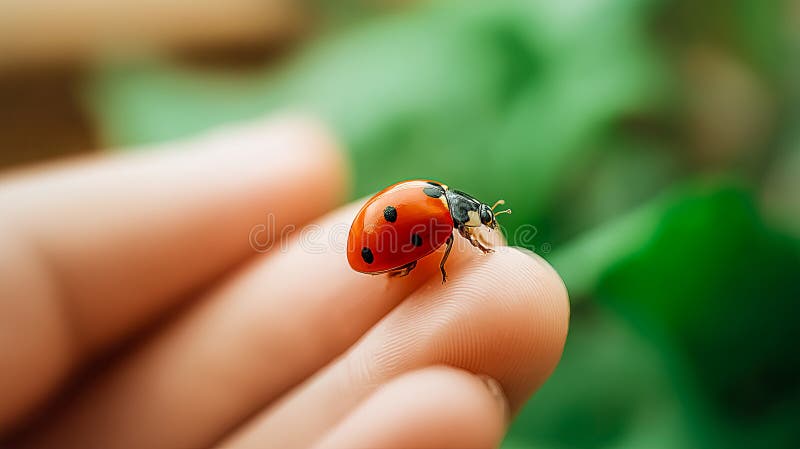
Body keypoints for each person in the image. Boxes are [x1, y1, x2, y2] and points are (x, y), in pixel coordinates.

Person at [0, 116, 568, 448]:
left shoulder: (438, 208)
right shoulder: (444, 219)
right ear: (468, 216)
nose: (478, 225)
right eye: (478, 220)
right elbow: (434, 245)